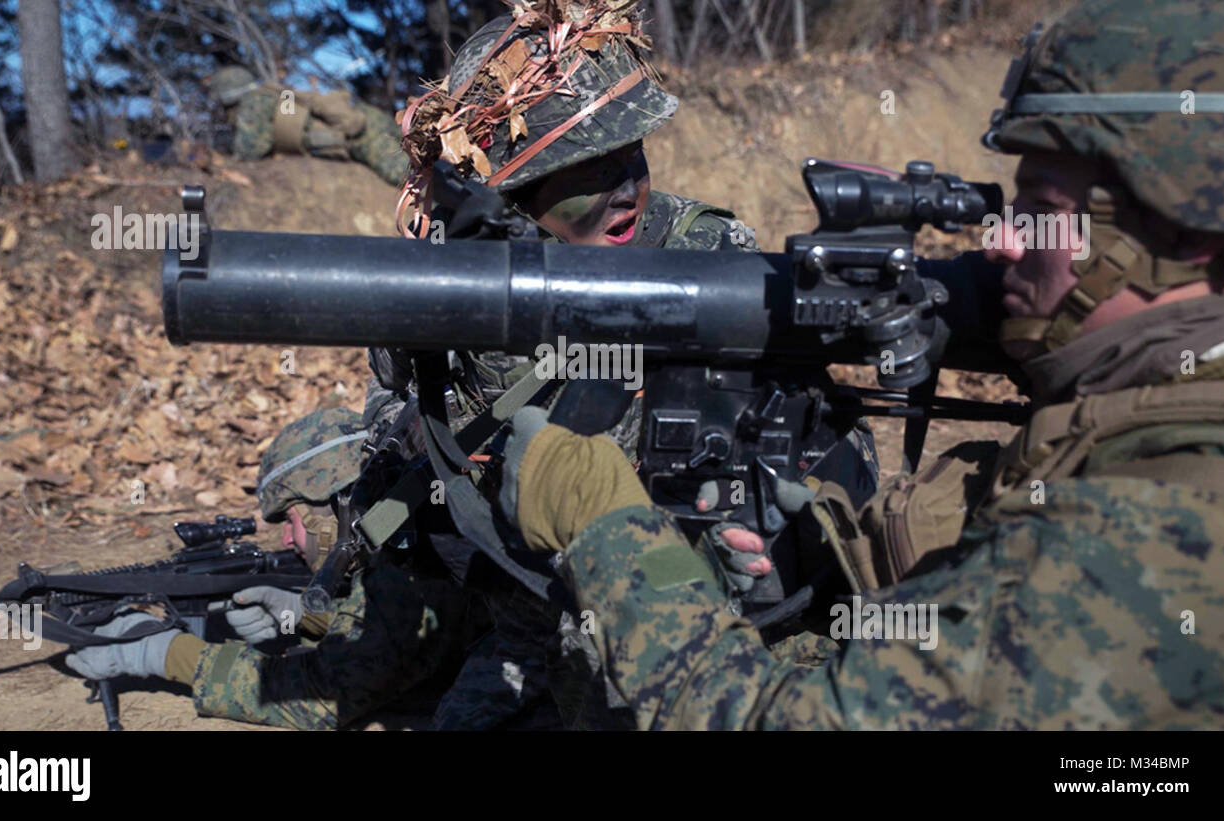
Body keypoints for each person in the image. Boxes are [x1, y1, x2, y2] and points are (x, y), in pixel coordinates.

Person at [491, 0, 1224, 729]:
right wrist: (829, 547)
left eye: (1040, 209)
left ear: (1186, 229)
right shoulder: (1165, 412)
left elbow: (764, 718)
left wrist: (607, 527)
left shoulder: (1147, 526)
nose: (1005, 242)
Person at [356, 4, 881, 729]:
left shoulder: (706, 261)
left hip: (695, 609)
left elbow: (837, 446)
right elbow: (396, 410)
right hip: (535, 616)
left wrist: (751, 530)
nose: (628, 185)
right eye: (590, 169)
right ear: (509, 192)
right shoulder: (460, 287)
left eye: (632, 153)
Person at [65, 408, 487, 730]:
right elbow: (409, 640)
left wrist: (163, 654)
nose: (286, 539)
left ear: (335, 508)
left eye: (291, 519)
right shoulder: (428, 520)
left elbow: (322, 696)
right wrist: (307, 618)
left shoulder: (411, 567)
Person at [208, 66, 409, 187]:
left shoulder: (253, 103)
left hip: (363, 136)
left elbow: (251, 149)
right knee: (426, 168)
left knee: (413, 182)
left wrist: (225, 151)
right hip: (368, 117)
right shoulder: (269, 93)